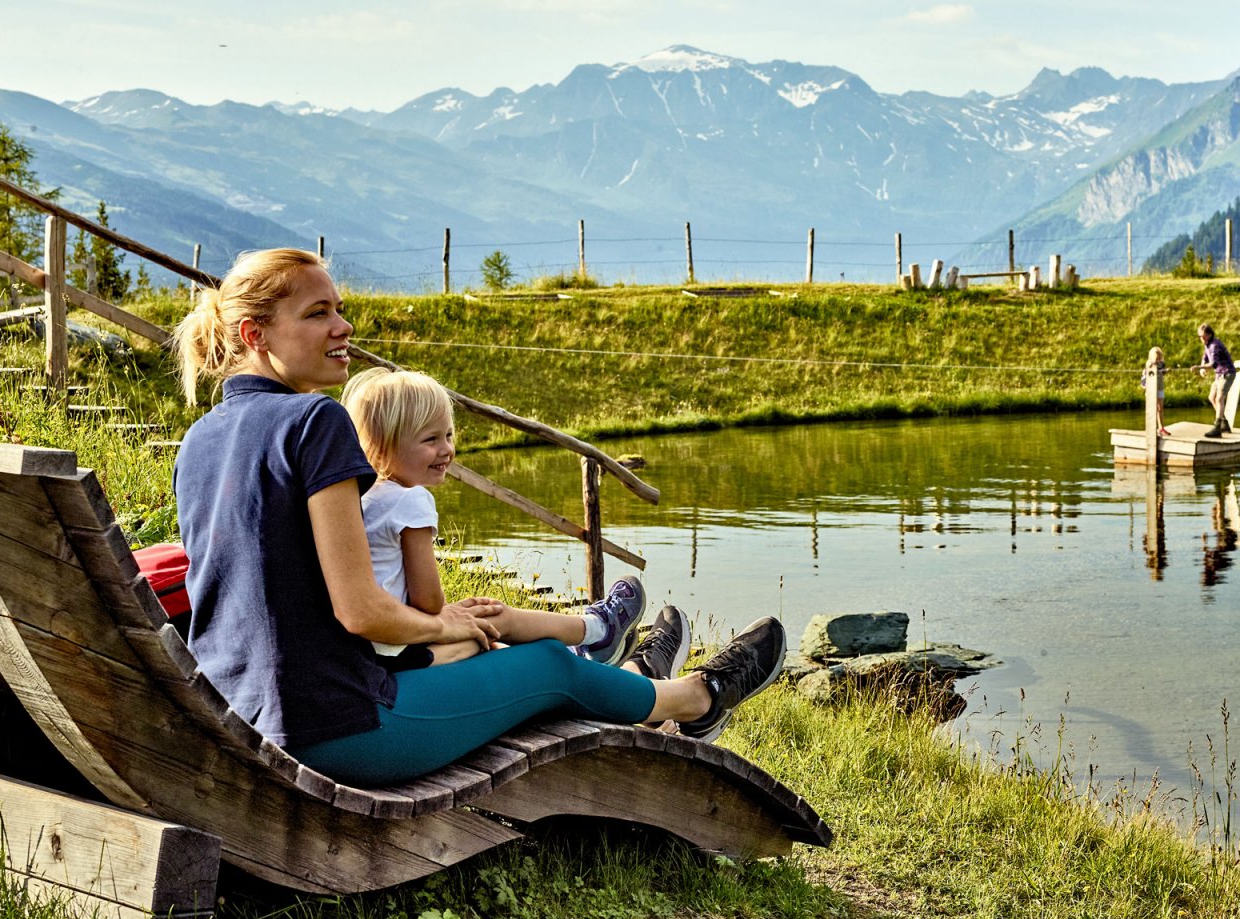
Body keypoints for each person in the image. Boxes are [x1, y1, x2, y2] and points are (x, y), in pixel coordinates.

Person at [169, 248, 784, 787]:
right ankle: (697, 698)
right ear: (255, 335)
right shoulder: (313, 421)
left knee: (490, 650)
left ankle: (631, 673)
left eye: (338, 307)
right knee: (542, 666)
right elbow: (359, 611)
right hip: (336, 733)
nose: (344, 325)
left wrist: (445, 630)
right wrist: (448, 627)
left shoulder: (199, 439)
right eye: (317, 313)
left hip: (234, 717)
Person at [338, 366, 646, 673]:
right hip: (397, 653)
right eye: (430, 439)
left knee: (481, 621)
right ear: (381, 447)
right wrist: (448, 613)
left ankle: (586, 643)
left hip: (367, 649)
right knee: (490, 616)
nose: (446, 449)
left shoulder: (359, 497)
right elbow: (428, 601)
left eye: (448, 435)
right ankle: (595, 633)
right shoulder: (410, 500)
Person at [1193, 323, 1236, 437]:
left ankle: (1217, 428)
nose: (1201, 338)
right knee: (1211, 397)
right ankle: (1224, 423)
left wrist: (1199, 367)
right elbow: (1205, 356)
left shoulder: (1214, 345)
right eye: (1199, 336)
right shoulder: (1207, 344)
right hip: (1219, 374)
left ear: (1209, 334)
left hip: (1227, 373)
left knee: (1219, 398)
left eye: (1203, 336)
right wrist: (1202, 366)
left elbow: (1213, 364)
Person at [1140, 346, 1170, 436]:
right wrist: (1144, 386)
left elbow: (1161, 372)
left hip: (1160, 388)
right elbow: (1146, 375)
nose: (1158, 359)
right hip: (1151, 389)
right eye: (1156, 357)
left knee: (1160, 408)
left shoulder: (1162, 364)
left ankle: (1161, 428)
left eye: (1159, 357)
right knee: (1151, 409)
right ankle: (1151, 428)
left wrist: (1165, 371)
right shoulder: (1149, 364)